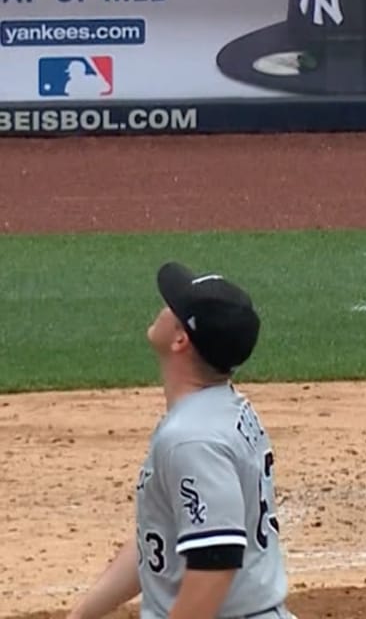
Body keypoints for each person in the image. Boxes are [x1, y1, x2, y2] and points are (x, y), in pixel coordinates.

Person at [66, 263, 294, 619]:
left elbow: (214, 564)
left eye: (174, 306)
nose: (163, 306)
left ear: (180, 339)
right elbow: (160, 542)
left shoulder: (192, 439)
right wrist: (82, 614)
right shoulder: (219, 410)